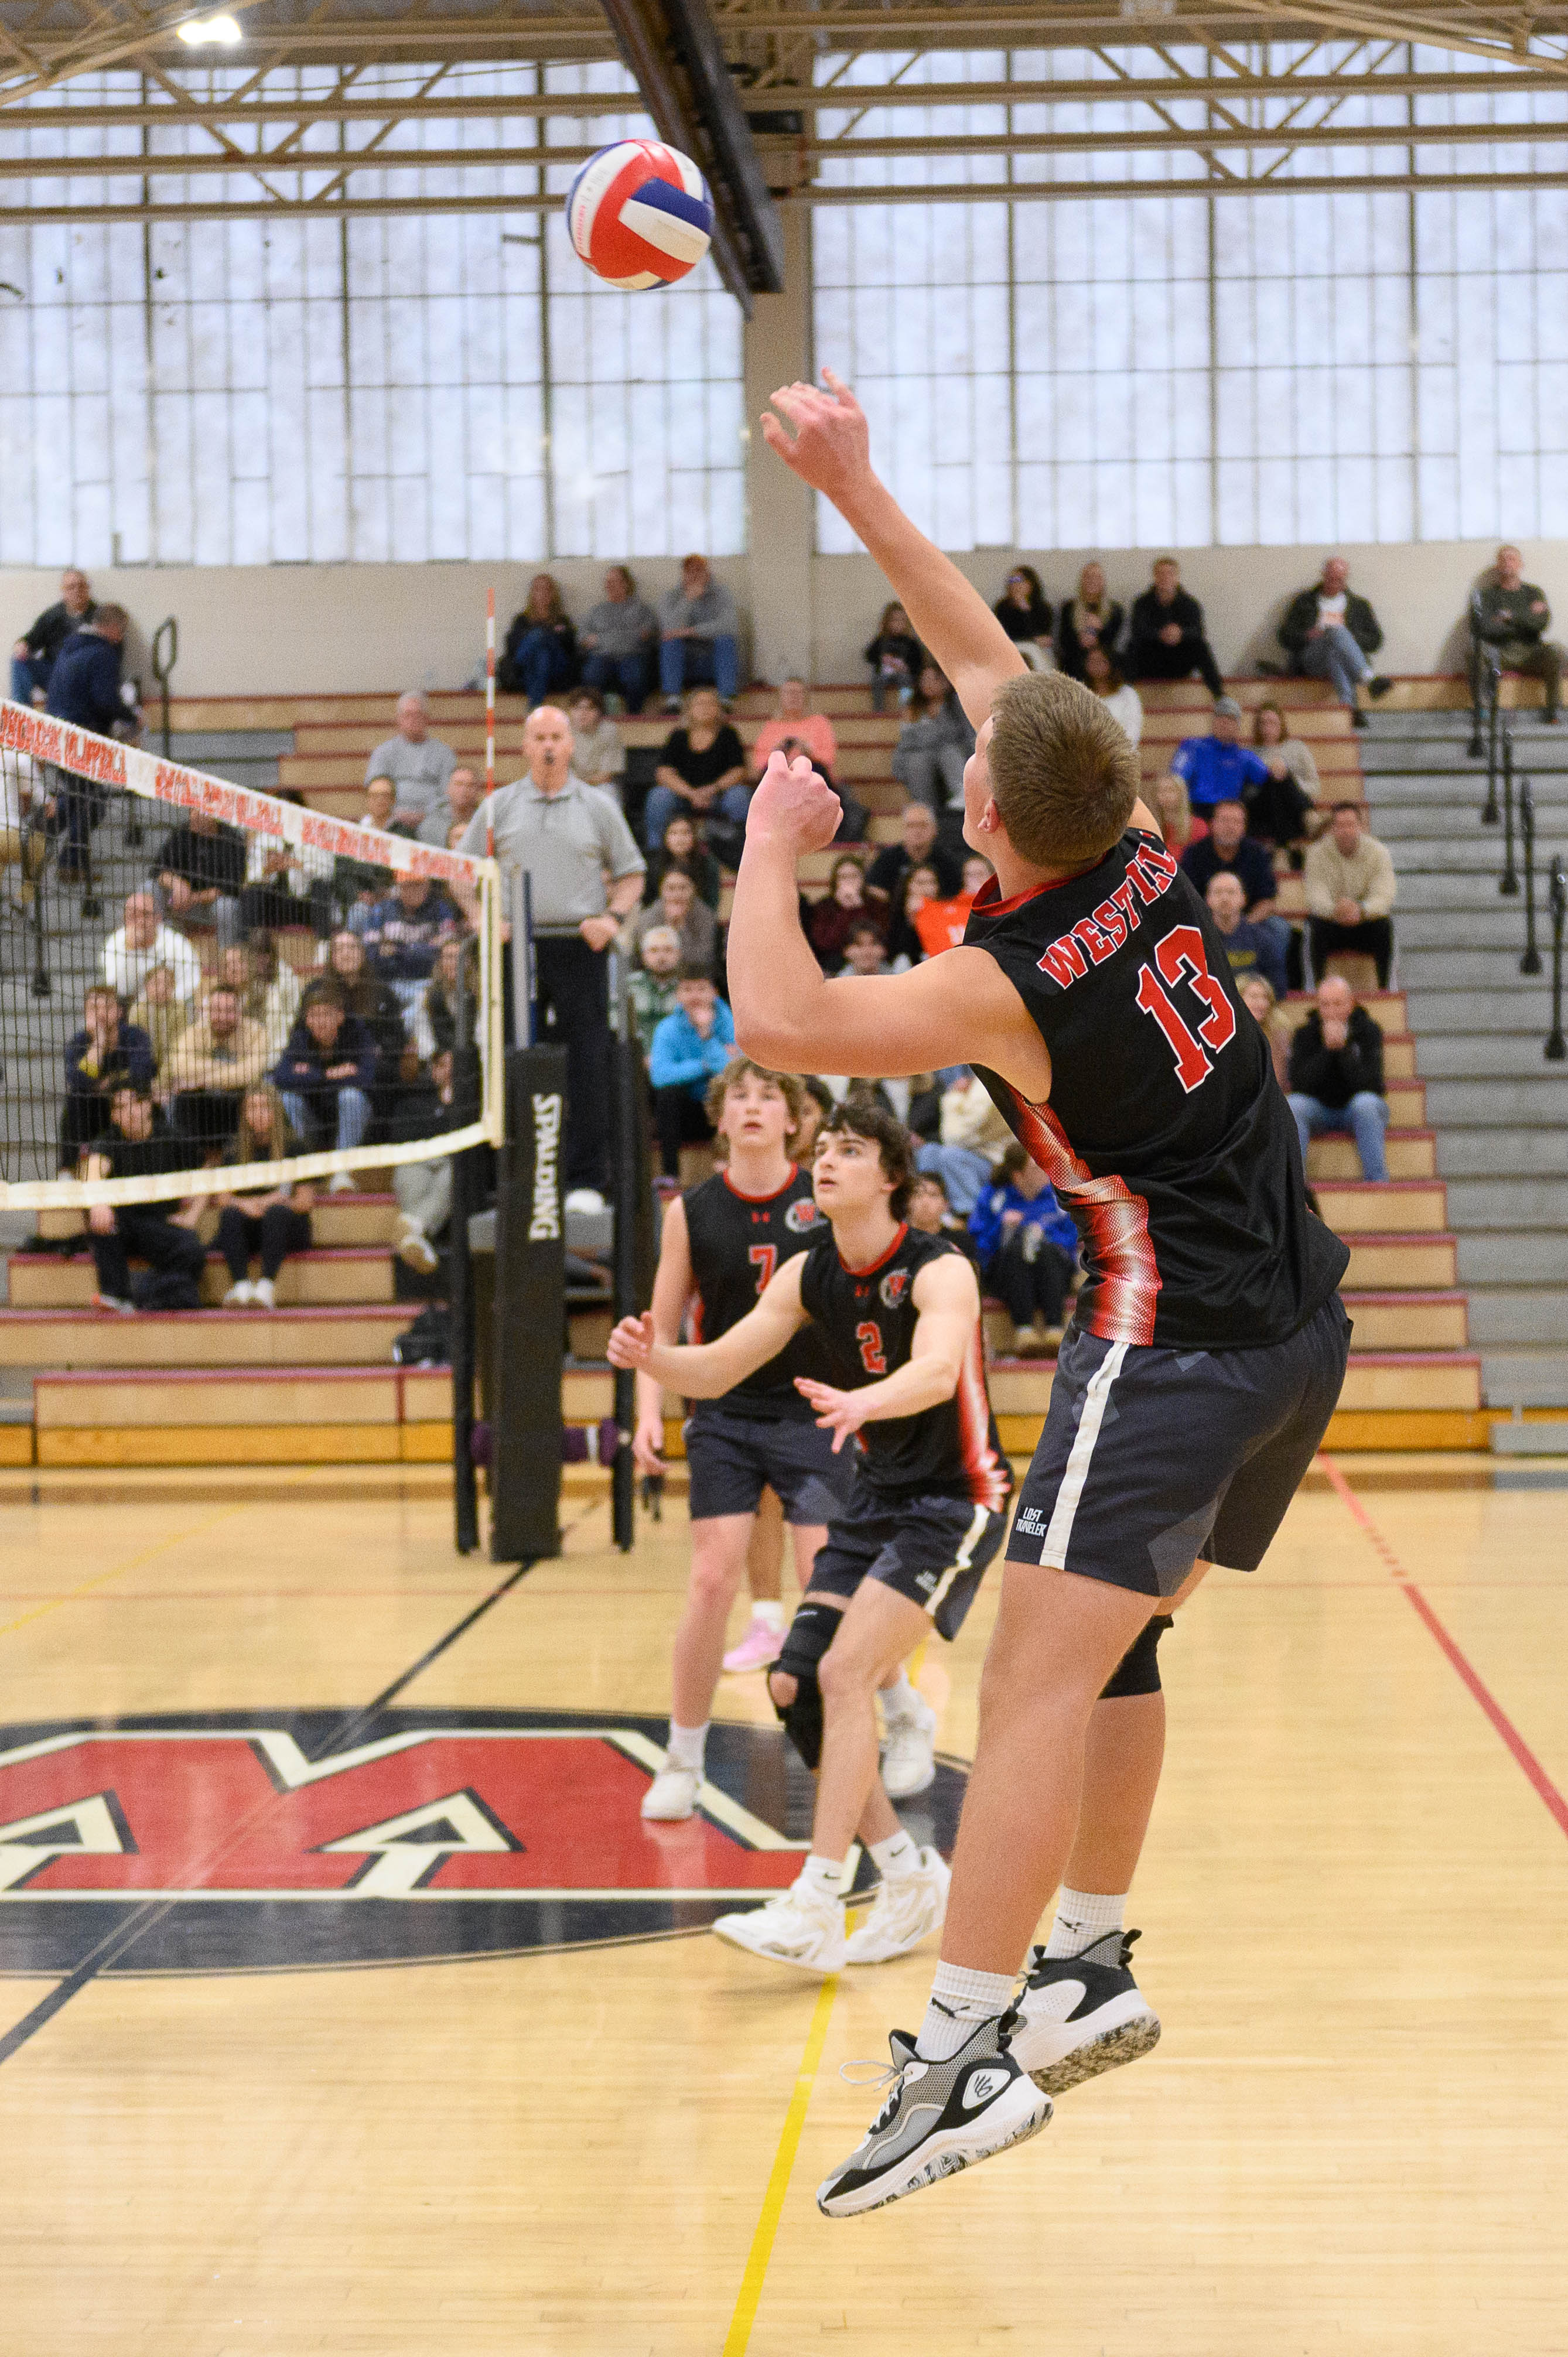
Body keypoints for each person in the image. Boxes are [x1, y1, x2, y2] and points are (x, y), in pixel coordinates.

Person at [736, 367, 1350, 2215]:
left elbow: (780, 1018)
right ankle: (1081, 1954)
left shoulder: (1004, 978)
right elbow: (992, 663)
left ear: (991, 819)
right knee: (1116, 1641)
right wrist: (851, 482)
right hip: (1299, 1317)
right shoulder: (1136, 836)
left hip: (1162, 1344)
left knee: (1022, 1682)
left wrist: (773, 841)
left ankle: (964, 2048)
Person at [609, 1100, 1010, 1969]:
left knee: (844, 1670)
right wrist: (653, 1359)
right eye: (821, 1148)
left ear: (890, 1176)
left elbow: (939, 1371)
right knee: (796, 1686)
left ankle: (819, 1899)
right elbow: (718, 1364)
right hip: (877, 1497)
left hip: (954, 1498)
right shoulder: (805, 1271)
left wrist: (869, 1399)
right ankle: (907, 1877)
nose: (825, 1161)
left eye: (850, 1150)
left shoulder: (939, 1270)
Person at [626, 1065, 899, 1817]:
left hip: (815, 1411)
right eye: (738, 1096)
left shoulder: (824, 1200)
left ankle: (899, 1708)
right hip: (724, 1412)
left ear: (794, 1119)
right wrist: (649, 1408)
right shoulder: (691, 1211)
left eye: (768, 1096)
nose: (752, 1106)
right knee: (712, 1579)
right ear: (718, 1120)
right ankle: (683, 1757)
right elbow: (660, 1323)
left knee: (830, 1585)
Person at [453, 703, 645, 1212]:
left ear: (571, 744)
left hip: (581, 948)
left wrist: (613, 919)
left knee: (587, 1062)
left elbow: (631, 875)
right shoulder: (497, 808)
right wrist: (481, 920)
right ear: (524, 746)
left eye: (556, 737)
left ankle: (584, 1181)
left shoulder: (598, 805)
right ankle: (516, 1177)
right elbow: (460, 873)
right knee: (514, 1057)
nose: (548, 746)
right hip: (516, 948)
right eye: (538, 737)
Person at [83, 1088, 205, 1314]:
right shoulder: (108, 1142)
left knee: (191, 1247)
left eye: (136, 1103)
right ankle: (116, 1295)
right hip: (123, 1225)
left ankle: (146, 1293)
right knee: (102, 1223)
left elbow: (205, 1180)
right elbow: (93, 1174)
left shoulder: (172, 1138)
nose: (131, 1112)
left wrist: (192, 1217)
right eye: (121, 1107)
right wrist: (98, 1203)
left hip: (160, 1224)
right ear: (114, 1116)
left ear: (148, 1106)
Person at [45, 602, 135, 880]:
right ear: (113, 628)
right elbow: (105, 700)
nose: (121, 638)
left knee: (76, 798)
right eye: (122, 631)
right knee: (93, 802)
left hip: (55, 734)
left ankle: (39, 837)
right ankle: (70, 863)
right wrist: (130, 716)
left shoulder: (68, 649)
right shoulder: (103, 653)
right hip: (83, 737)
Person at [968, 1139, 1079, 1354]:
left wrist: (1045, 1235)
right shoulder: (994, 1196)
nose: (1045, 1172)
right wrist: (1003, 1229)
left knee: (1046, 1249)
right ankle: (1024, 1328)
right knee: (1016, 1250)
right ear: (1018, 1175)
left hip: (1052, 1271)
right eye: (1036, 1168)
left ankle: (1055, 1326)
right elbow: (981, 1245)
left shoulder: (1057, 1197)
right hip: (1007, 1274)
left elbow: (1072, 1239)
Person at [213, 1085, 314, 1308]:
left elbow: (305, 1202)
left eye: (264, 1107)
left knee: (277, 1214)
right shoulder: (234, 1149)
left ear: (276, 1111)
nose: (257, 1114)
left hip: (287, 1226)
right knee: (230, 1215)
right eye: (251, 1108)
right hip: (251, 1224)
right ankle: (241, 1286)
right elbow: (222, 1199)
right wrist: (245, 1204)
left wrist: (278, 1201)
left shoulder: (294, 1146)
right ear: (244, 1113)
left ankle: (266, 1287)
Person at [1287, 973, 1388, 1181]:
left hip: (1356, 1108)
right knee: (1294, 1105)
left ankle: (1377, 1183)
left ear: (1350, 1004)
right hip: (1319, 1110)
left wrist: (1343, 1051)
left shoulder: (1369, 1031)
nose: (1331, 1012)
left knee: (1366, 1104)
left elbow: (1372, 1084)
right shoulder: (1305, 1034)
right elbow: (1300, 1084)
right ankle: (1295, 1188)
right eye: (1325, 1005)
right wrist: (1326, 1051)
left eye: (1337, 1004)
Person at [274, 985, 374, 1182]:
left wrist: (308, 1076)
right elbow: (281, 1078)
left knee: (351, 1096)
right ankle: (302, 1166)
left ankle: (342, 1170)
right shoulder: (299, 1039)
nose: (320, 1022)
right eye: (314, 1016)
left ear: (340, 1017)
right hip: (313, 1122)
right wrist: (327, 1075)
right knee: (287, 1099)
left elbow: (367, 1078)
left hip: (353, 1121)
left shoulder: (358, 1035)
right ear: (307, 1020)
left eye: (326, 1015)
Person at [1278, 556, 1392, 726]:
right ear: (1323, 575)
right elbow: (1284, 636)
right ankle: (1369, 680)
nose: (1333, 583)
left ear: (1345, 580)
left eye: (1338, 580)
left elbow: (1376, 641)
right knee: (1336, 631)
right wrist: (1307, 635)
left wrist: (1352, 638)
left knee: (1336, 650)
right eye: (1330, 578)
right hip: (1312, 657)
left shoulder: (1359, 605)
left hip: (1343, 659)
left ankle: (1348, 709)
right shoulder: (1304, 602)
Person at [647, 971, 736, 1176]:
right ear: (678, 995)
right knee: (667, 1094)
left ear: (714, 993)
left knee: (729, 1088)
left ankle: (732, 1170)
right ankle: (671, 1175)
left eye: (701, 989)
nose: (695, 996)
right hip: (685, 1113)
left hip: (720, 1111)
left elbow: (732, 1072)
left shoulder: (732, 1023)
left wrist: (706, 1034)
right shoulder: (667, 1028)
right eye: (687, 990)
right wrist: (705, 1064)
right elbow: (659, 1076)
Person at [163, 983, 271, 1152]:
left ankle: (238, 1154)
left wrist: (202, 1080)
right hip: (203, 1103)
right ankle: (191, 1158)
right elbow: (178, 1066)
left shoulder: (256, 1032)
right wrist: (230, 1068)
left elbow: (249, 1074)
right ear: (207, 1011)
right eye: (216, 1010)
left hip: (239, 1097)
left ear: (239, 1012)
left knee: (260, 1092)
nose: (221, 1016)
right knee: (179, 1098)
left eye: (229, 1011)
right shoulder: (196, 1031)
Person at [643, 686, 750, 854]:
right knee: (658, 796)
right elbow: (664, 772)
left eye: (711, 704)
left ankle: (742, 852)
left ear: (718, 709)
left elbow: (739, 771)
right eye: (700, 704)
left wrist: (712, 789)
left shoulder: (729, 734)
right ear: (689, 710)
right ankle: (656, 856)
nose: (706, 708)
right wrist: (691, 793)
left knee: (740, 796)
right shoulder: (678, 736)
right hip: (684, 797)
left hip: (720, 796)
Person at [60, 983, 155, 1169]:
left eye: (108, 1007)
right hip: (92, 1109)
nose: (101, 1014)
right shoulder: (78, 1042)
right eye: (95, 1009)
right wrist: (99, 1044)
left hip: (128, 1105)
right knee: (75, 1100)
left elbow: (142, 1074)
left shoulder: (135, 1036)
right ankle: (71, 1169)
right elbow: (79, 1081)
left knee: (143, 1100)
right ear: (86, 1014)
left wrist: (106, 1083)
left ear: (119, 1011)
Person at [1304, 802, 1396, 988]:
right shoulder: (1316, 853)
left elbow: (1385, 895)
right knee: (1312, 926)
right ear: (1332, 829)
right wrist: (1336, 910)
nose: (1346, 831)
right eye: (1340, 826)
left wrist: (1361, 909)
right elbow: (1315, 896)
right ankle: (1315, 990)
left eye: (1351, 825)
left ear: (1361, 827)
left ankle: (1386, 990)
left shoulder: (1379, 853)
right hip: (1331, 922)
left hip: (1365, 922)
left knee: (1386, 926)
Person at [390, 1048, 464, 1274]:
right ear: (433, 1070)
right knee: (407, 1175)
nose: (449, 1071)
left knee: (454, 1177)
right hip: (419, 1158)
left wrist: (451, 1106)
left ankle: (413, 1227)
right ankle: (418, 1240)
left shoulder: (474, 1102)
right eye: (443, 1065)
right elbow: (402, 1134)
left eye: (455, 1066)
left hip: (453, 1160)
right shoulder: (414, 1101)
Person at [1470, 544, 1563, 725]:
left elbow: (1541, 624)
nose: (1507, 562)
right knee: (1479, 652)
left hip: (1532, 653)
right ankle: (1484, 711)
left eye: (1512, 559)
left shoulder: (1534, 593)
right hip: (1500, 654)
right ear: (1497, 565)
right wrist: (1526, 617)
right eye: (1503, 559)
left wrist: (1507, 616)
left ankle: (1553, 711)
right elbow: (1482, 628)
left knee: (1557, 651)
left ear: (1520, 564)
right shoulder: (1486, 595)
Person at [913, 1064, 1011, 1214]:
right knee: (928, 1152)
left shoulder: (993, 1084)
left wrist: (953, 1097)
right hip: (974, 1153)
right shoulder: (973, 1084)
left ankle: (969, 1215)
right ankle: (932, 1213)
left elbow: (955, 1138)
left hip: (997, 1164)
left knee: (951, 1156)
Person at [361, 872, 458, 1022]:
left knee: (418, 1013)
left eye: (418, 885)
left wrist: (397, 950)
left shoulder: (441, 909)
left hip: (426, 982)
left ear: (427, 885)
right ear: (399, 886)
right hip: (388, 982)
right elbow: (370, 952)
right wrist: (423, 948)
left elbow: (444, 951)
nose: (413, 890)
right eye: (407, 886)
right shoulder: (382, 910)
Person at [1125, 558, 1224, 701]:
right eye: (1161, 574)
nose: (1165, 578)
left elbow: (1198, 631)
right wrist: (1160, 634)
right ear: (1155, 577)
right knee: (1133, 646)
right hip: (1153, 661)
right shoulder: (1142, 603)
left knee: (1201, 646)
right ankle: (1127, 695)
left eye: (1170, 574)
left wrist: (1181, 633)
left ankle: (1220, 695)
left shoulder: (1190, 604)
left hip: (1179, 661)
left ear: (1176, 577)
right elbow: (1138, 631)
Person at [149, 807, 247, 951]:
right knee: (148, 888)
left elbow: (229, 888)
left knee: (227, 906)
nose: (194, 816)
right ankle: (160, 950)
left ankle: (228, 956)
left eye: (200, 812)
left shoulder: (231, 839)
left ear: (214, 816)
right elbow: (157, 871)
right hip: (178, 902)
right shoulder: (182, 833)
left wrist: (192, 898)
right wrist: (177, 884)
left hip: (210, 907)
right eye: (192, 812)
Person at [240, 793, 336, 935]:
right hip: (276, 904)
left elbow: (328, 872)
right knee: (253, 892)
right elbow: (250, 877)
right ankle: (257, 947)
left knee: (321, 890)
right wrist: (267, 870)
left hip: (304, 902)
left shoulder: (315, 837)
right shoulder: (265, 838)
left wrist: (298, 865)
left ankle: (322, 946)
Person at [1179, 797, 1283, 928]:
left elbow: (1267, 900)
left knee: (1279, 927)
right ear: (1212, 824)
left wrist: (1243, 926)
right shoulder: (1194, 854)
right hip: (1205, 924)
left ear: (1245, 826)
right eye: (1224, 821)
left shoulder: (1258, 853)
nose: (1230, 827)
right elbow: (1187, 899)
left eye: (1236, 822)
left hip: (1249, 922)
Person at [890, 664, 975, 814]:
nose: (928, 684)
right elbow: (908, 742)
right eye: (925, 680)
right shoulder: (913, 709)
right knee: (917, 761)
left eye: (934, 680)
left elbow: (966, 735)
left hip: (956, 753)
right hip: (924, 755)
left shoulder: (956, 704)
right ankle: (924, 807)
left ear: (945, 682)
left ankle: (961, 792)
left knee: (947, 752)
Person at [1167, 694, 1272, 816]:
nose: (1224, 723)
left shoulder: (1244, 757)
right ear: (1213, 722)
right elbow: (1176, 778)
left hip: (1230, 814)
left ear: (1238, 726)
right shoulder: (1192, 747)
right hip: (1196, 811)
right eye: (1220, 718)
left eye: (1230, 720)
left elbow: (1268, 777)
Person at [658, 555, 741, 709]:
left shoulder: (722, 594)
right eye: (690, 571)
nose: (695, 575)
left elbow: (729, 625)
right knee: (671, 642)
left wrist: (688, 632)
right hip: (684, 662)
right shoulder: (670, 597)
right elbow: (669, 629)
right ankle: (673, 699)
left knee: (726, 640)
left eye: (699, 571)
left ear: (707, 573)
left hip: (714, 661)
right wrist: (688, 599)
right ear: (683, 574)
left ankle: (725, 700)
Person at [362, 692, 457, 822]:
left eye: (418, 715)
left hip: (432, 819)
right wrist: (394, 813)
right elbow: (374, 790)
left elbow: (448, 796)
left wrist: (425, 815)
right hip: (391, 818)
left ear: (426, 718)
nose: (413, 720)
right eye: (408, 715)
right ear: (399, 719)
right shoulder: (383, 752)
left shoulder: (444, 754)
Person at [578, 563, 659, 711]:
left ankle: (634, 716)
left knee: (636, 678)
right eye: (607, 581)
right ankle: (599, 715)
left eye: (613, 581)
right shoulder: (597, 611)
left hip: (633, 655)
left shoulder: (642, 609)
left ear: (626, 584)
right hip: (601, 657)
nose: (609, 585)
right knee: (592, 675)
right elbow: (582, 638)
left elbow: (646, 636)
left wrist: (601, 639)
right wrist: (626, 636)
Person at [101, 889, 202, 1005]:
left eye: (146, 915)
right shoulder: (114, 944)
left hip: (171, 1008)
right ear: (125, 919)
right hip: (130, 1009)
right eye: (133, 916)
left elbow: (190, 983)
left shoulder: (177, 943)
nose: (140, 921)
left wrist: (160, 1004)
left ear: (158, 918)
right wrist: (131, 949)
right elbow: (118, 989)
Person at [12, 565, 94, 705]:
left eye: (81, 586)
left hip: (84, 679)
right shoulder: (52, 616)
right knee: (19, 660)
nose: (77, 591)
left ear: (88, 589)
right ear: (63, 591)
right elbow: (31, 640)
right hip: (54, 674)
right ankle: (22, 713)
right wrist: (21, 644)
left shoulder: (99, 616)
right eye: (71, 587)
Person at [1247, 703, 1321, 852]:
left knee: (1283, 779)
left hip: (1293, 808)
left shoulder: (1298, 748)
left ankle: (1283, 845)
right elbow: (1248, 792)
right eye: (1263, 723)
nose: (1268, 727)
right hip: (1263, 810)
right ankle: (1305, 829)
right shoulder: (1250, 753)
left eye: (1273, 722)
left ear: (1282, 725)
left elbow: (1315, 787)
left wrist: (1290, 780)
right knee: (1274, 779)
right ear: (1258, 727)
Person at [1204, 870, 1288, 999]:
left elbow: (1278, 987)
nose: (1225, 898)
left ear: (1243, 899)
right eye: (1218, 892)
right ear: (1208, 899)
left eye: (1231, 892)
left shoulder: (1263, 939)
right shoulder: (1197, 940)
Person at [624, 865, 718, 977]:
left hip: (692, 979)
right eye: (671, 888)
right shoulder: (649, 917)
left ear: (693, 889)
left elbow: (704, 958)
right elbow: (644, 958)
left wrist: (680, 927)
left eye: (683, 888)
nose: (677, 895)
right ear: (662, 890)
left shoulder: (705, 916)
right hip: (653, 978)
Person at [499, 573, 578, 705]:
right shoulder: (522, 620)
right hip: (526, 667)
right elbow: (512, 648)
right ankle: (535, 704)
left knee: (540, 638)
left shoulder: (562, 620)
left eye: (547, 589)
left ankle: (534, 706)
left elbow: (570, 649)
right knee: (542, 655)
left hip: (556, 669)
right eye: (538, 589)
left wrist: (545, 637)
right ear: (532, 594)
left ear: (553, 594)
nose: (543, 593)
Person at [866, 800, 962, 907]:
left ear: (934, 830)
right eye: (912, 826)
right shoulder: (887, 858)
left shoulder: (946, 860)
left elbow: (956, 894)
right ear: (903, 830)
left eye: (923, 825)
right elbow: (874, 889)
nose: (917, 831)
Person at [749, 679, 840, 791]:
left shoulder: (819, 722)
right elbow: (759, 763)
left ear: (806, 697)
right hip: (780, 778)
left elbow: (828, 758)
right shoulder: (772, 726)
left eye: (798, 693)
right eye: (789, 693)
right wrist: (778, 751)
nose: (793, 697)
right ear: (780, 698)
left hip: (812, 774)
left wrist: (808, 752)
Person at [807, 855, 884, 972]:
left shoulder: (875, 903)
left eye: (854, 876)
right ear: (835, 881)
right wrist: (845, 911)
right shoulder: (824, 906)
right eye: (843, 877)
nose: (849, 881)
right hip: (834, 962)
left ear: (863, 879)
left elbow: (880, 937)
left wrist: (859, 907)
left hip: (871, 959)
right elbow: (824, 944)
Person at [914, 854, 992, 961]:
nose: (974, 880)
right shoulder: (952, 906)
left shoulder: (1002, 903)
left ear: (992, 877)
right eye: (969, 875)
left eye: (979, 874)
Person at [1054, 561, 1122, 684]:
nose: (1092, 581)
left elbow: (1112, 641)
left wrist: (1100, 632)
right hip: (1076, 657)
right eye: (1088, 577)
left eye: (1096, 577)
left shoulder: (1115, 610)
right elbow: (1063, 641)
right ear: (1082, 581)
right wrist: (1079, 640)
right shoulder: (1068, 608)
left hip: (1104, 658)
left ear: (1103, 582)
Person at [645, 809, 722, 912]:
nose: (680, 839)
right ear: (665, 837)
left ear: (694, 836)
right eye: (674, 833)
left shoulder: (707, 864)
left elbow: (712, 903)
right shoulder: (654, 865)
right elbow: (649, 904)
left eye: (686, 833)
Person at [626, 923, 682, 1062]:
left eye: (668, 950)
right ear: (644, 955)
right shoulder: (629, 986)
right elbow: (616, 1025)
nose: (661, 956)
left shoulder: (690, 988)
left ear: (679, 954)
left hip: (680, 1063)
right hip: (634, 1060)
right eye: (654, 950)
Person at [0, 748, 47, 906]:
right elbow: (40, 798)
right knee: (40, 845)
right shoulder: (19, 754)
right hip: (7, 834)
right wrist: (50, 801)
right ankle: (24, 898)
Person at [1235, 971, 1292, 1092]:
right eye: (1254, 997)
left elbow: (1277, 1082)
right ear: (1238, 999)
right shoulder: (1227, 1032)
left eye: (1265, 998)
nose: (1261, 1004)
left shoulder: (1277, 1031)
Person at [863, 600, 923, 711]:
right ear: (887, 622)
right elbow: (868, 656)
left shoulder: (911, 643)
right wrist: (880, 658)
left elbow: (918, 662)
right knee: (877, 680)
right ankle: (879, 709)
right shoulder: (881, 640)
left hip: (903, 674)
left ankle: (906, 707)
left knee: (906, 680)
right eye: (895, 620)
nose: (898, 624)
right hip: (884, 674)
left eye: (902, 621)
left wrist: (907, 668)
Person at [565, 686, 624, 798]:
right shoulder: (562, 732)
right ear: (570, 711)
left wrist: (583, 785)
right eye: (577, 708)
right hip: (570, 786)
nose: (583, 713)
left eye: (589, 709)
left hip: (600, 785)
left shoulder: (610, 731)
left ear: (599, 712)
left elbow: (606, 775)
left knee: (608, 792)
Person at [993, 566, 1054, 671]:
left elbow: (1044, 637)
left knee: (1037, 652)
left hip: (1037, 650)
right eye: (1011, 581)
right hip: (1012, 648)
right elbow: (1003, 635)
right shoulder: (1002, 607)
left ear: (1030, 584)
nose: (1014, 585)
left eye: (1019, 580)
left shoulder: (1043, 608)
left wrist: (1026, 611)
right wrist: (1032, 639)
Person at [1082, 645, 1143, 748]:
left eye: (1101, 661)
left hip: (1120, 754)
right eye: (1091, 661)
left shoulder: (1127, 694)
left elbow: (1133, 728)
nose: (1096, 665)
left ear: (1110, 664)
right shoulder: (1079, 693)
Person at [884, 862, 941, 969]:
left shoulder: (946, 911)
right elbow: (896, 950)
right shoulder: (897, 912)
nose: (928, 888)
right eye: (921, 883)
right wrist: (912, 919)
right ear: (909, 886)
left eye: (932, 883)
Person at [416, 764, 483, 852]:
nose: (464, 790)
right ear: (448, 788)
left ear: (478, 790)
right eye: (459, 784)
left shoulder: (486, 821)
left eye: (470, 785)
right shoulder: (430, 825)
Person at [1151, 773, 1196, 854]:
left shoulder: (1198, 827)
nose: (1165, 795)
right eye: (1161, 791)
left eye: (1171, 790)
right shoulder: (1150, 827)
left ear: (1182, 794)